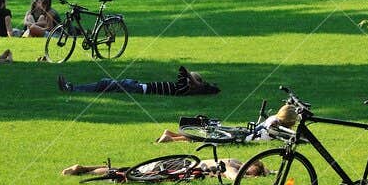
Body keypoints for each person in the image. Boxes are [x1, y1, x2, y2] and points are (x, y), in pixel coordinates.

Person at [154, 101, 301, 144]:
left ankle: (171, 134)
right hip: (244, 137)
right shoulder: (277, 127)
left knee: (212, 135)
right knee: (212, 140)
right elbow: (289, 137)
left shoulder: (273, 118)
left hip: (245, 131)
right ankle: (171, 139)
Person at [61, 157, 262, 182]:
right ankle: (83, 169)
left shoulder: (237, 162)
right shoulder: (231, 163)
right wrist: (241, 179)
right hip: (182, 166)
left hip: (185, 168)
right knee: (131, 174)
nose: (251, 174)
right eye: (254, 171)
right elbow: (231, 175)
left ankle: (85, 168)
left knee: (130, 169)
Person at [59, 65, 219, 96]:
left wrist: (196, 82)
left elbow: (182, 69)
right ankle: (72, 88)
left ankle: (72, 88)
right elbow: (183, 71)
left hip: (137, 88)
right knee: (104, 83)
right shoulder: (182, 88)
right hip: (136, 84)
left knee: (104, 84)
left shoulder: (183, 90)